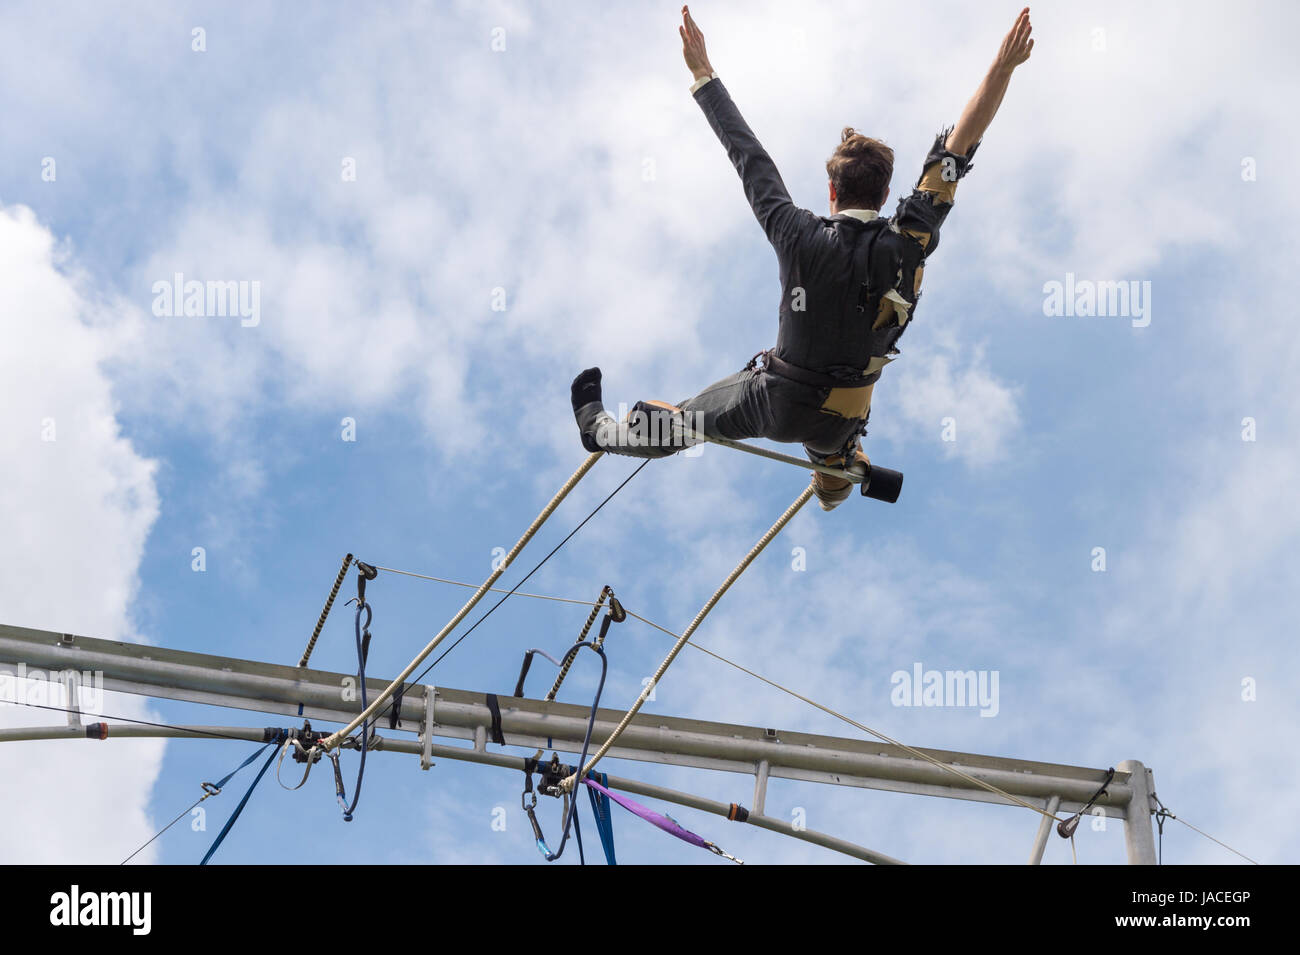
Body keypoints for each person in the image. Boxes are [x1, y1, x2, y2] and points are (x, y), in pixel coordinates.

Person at [572, 6, 1034, 510]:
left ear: (832, 191)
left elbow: (748, 155)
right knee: (833, 437)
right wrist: (1003, 69)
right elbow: (957, 150)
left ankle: (600, 431)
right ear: (883, 195)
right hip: (839, 415)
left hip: (773, 402)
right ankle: (835, 478)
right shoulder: (909, 240)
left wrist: (704, 76)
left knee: (680, 422)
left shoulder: (796, 232)